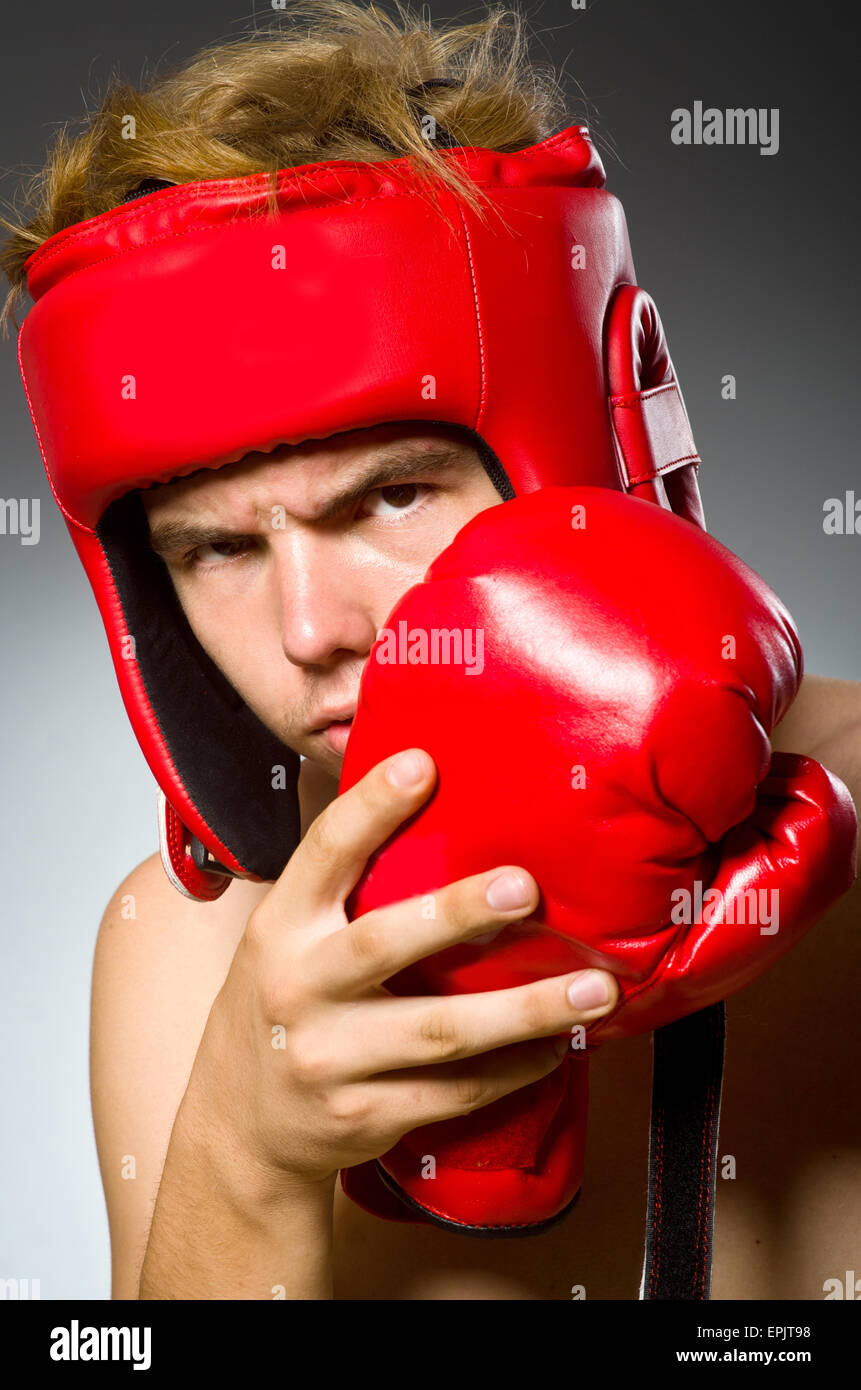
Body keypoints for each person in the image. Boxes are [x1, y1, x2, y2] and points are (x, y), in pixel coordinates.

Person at [2, 2, 859, 1301]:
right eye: (217, 549)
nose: (308, 633)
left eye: (388, 496)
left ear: (595, 447)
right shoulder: (182, 949)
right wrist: (242, 1159)